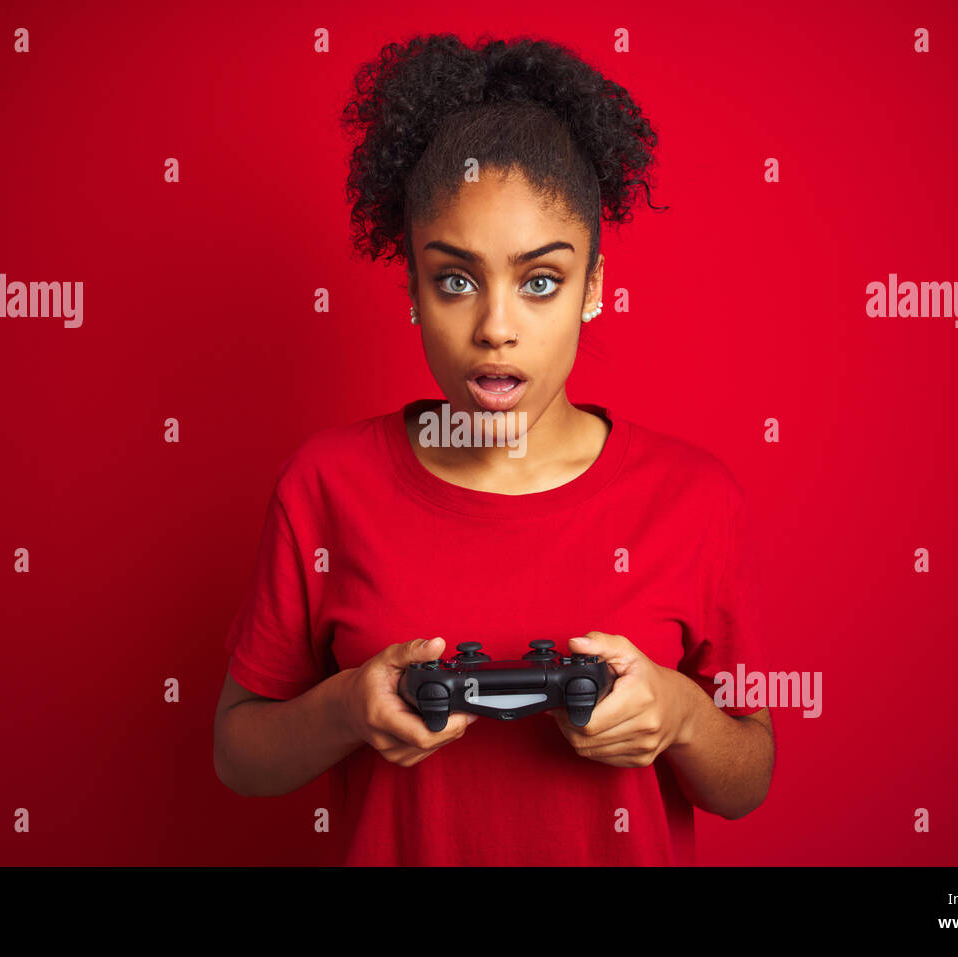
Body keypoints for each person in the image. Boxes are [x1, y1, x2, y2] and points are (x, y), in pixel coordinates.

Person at [212, 33, 775, 866]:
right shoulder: (325, 484)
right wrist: (345, 711)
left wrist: (683, 716)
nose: (496, 328)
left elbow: (748, 778)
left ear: (595, 288)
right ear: (410, 286)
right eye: (455, 279)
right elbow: (237, 754)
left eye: (541, 281)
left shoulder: (694, 498)